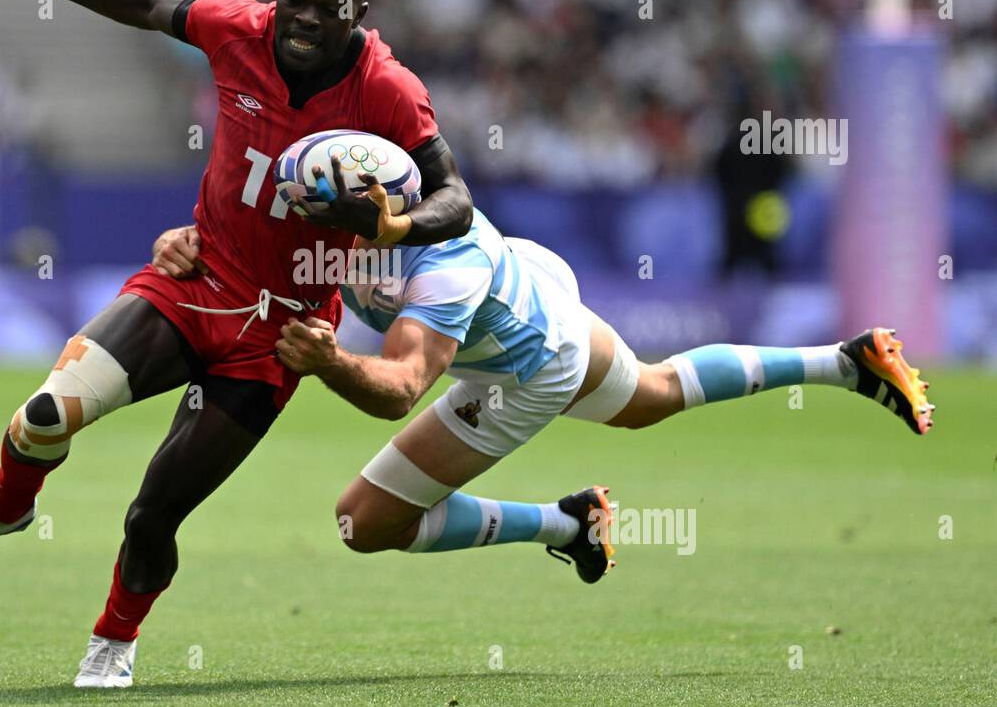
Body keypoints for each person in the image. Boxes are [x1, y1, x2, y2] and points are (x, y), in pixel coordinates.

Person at [0, 0, 474, 688]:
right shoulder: (238, 29)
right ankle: (4, 509)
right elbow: (152, 0)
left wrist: (397, 226)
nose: (300, 18)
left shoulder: (388, 90)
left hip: (281, 333)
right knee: (43, 414)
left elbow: (454, 199)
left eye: (324, 7)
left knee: (152, 513)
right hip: (194, 280)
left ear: (357, 12)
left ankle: (112, 641)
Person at [152, 213, 934, 581]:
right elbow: (243, 237)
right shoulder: (343, 213)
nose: (317, 229)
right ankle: (847, 360)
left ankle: (558, 523)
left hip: (522, 368)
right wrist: (186, 241)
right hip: (531, 288)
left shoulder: (435, 265)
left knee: (363, 521)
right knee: (653, 392)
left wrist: (329, 362)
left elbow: (397, 390)